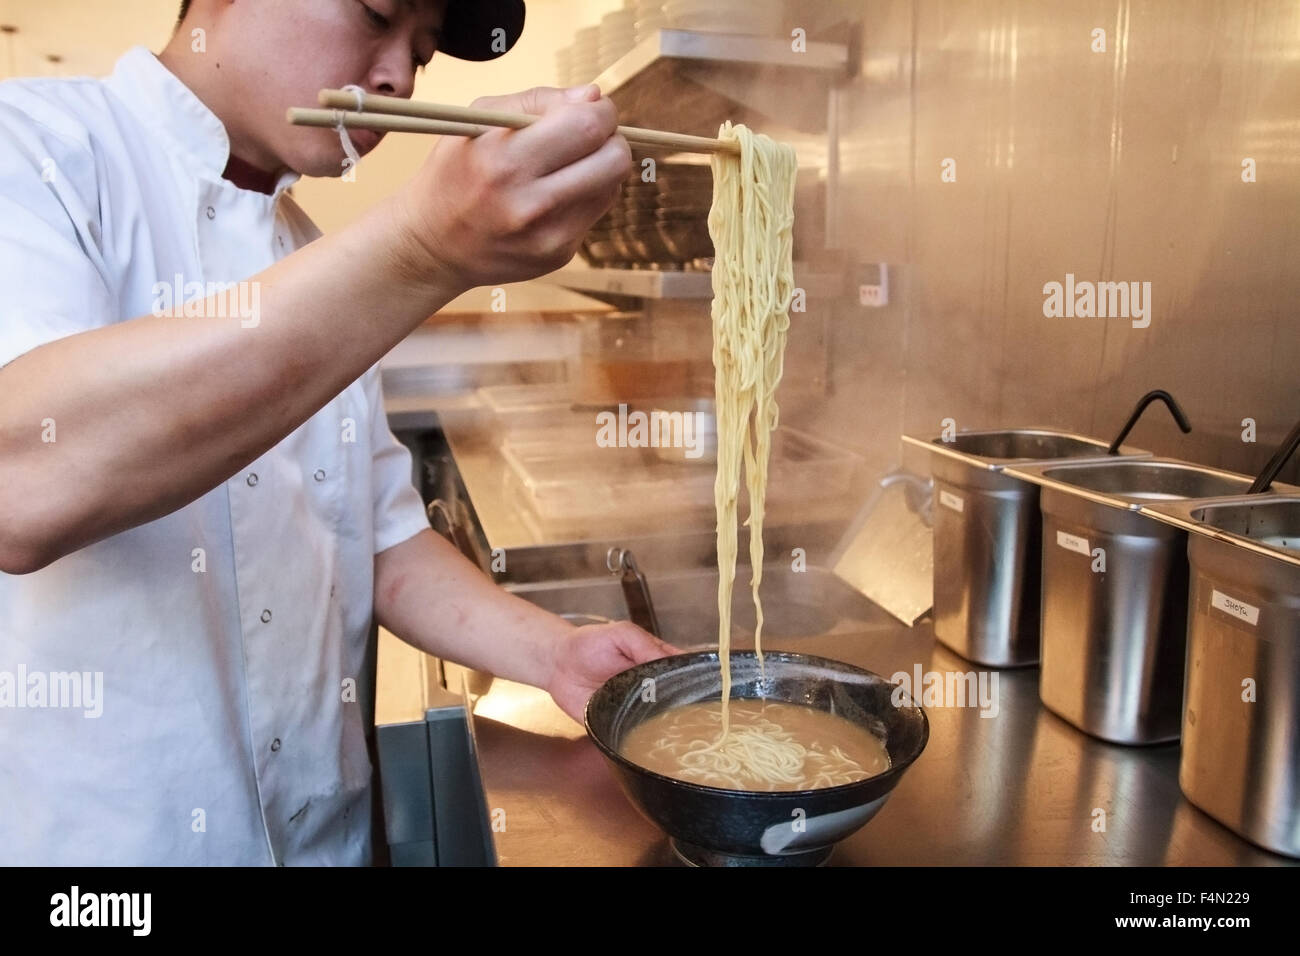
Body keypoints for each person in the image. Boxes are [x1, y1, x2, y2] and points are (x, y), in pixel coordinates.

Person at [0, 0, 678, 865]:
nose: (397, 74)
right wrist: (421, 250)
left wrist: (554, 653)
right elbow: (20, 481)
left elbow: (381, 537)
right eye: (377, 14)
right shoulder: (36, 148)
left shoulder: (304, 247)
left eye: (422, 51)